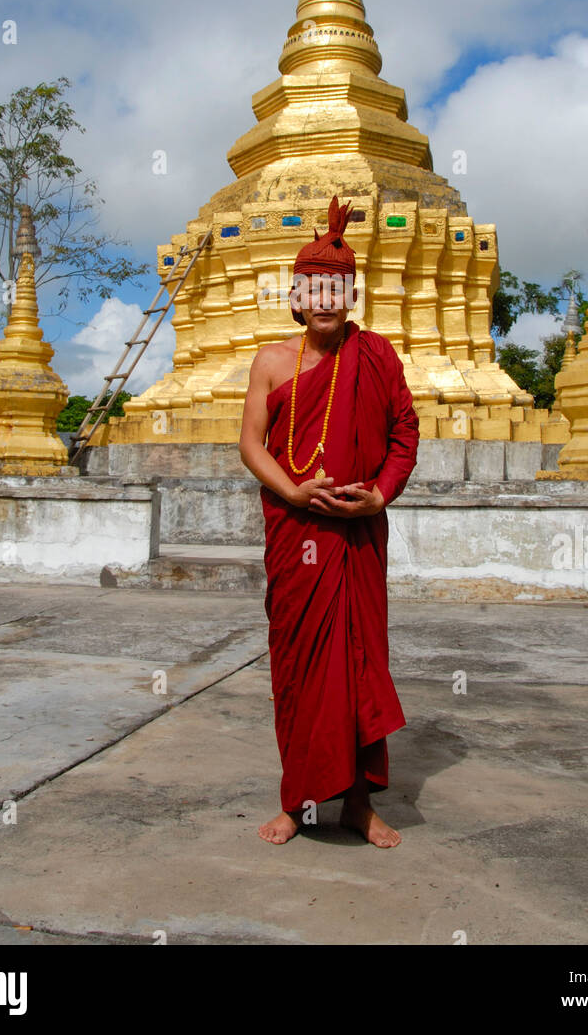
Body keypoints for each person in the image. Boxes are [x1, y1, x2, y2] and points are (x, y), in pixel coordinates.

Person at [239, 195, 419, 847]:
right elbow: (251, 444)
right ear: (295, 293)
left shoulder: (377, 356)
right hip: (299, 536)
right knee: (299, 668)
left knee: (359, 664)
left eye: (335, 289)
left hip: (358, 535)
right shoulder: (272, 361)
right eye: (312, 287)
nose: (323, 300)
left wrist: (382, 495)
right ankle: (298, 801)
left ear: (350, 295)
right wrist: (291, 491)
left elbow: (405, 433)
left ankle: (359, 803)